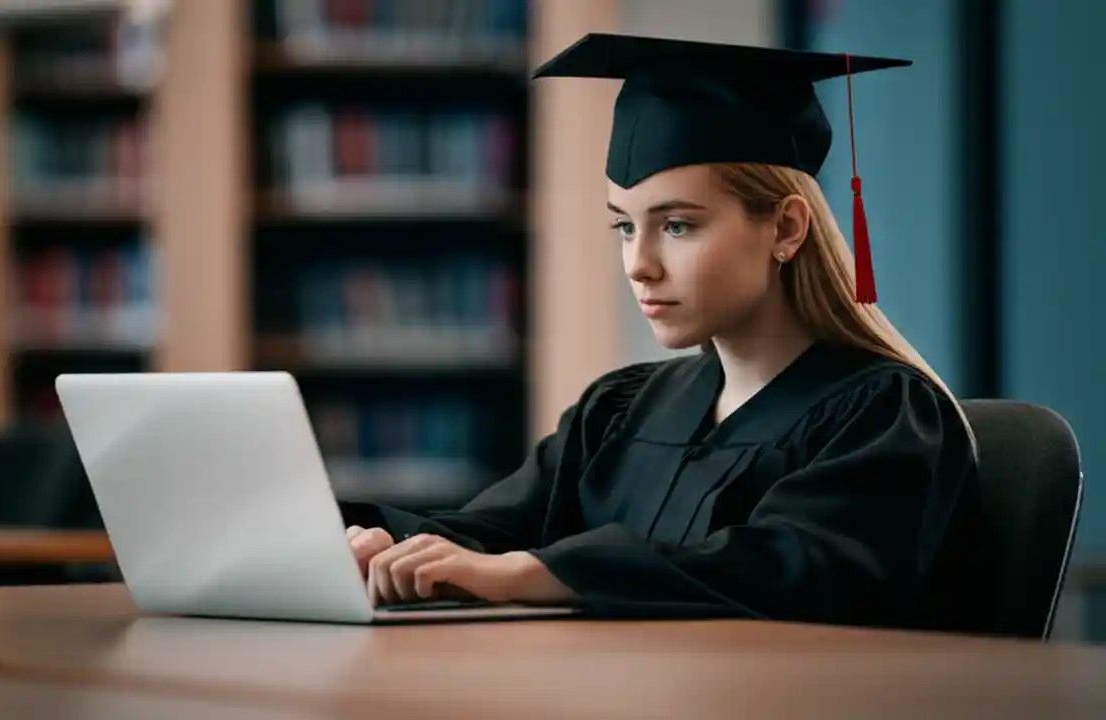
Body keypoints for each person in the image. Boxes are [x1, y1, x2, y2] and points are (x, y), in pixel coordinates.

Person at [338, 34, 980, 630]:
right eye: (624, 226)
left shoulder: (881, 415)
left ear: (786, 228)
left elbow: (788, 571)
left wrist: (534, 573)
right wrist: (381, 546)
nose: (639, 264)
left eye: (678, 225)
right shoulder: (620, 410)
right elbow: (488, 531)